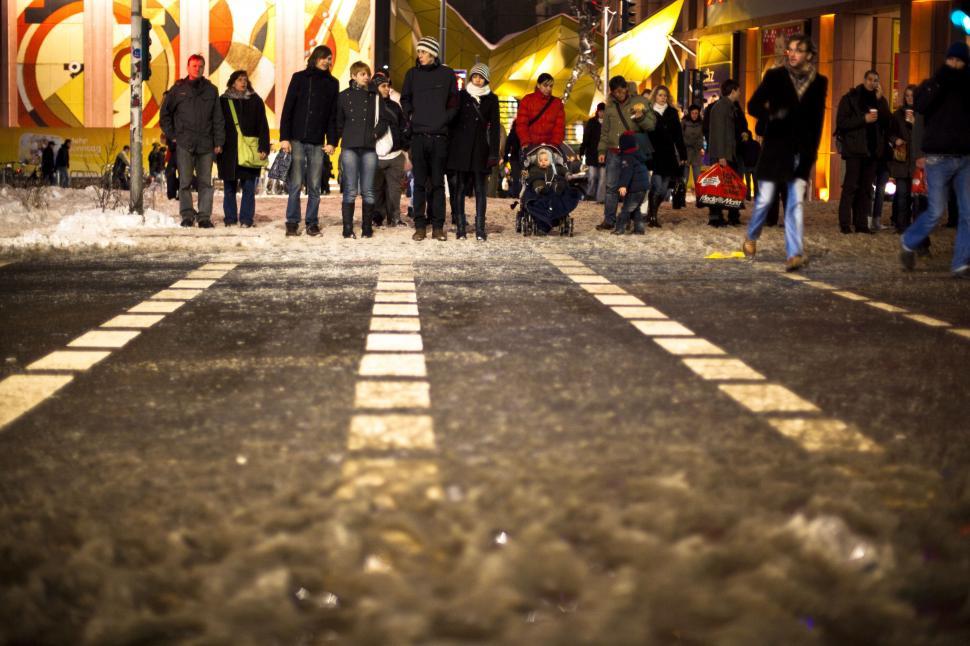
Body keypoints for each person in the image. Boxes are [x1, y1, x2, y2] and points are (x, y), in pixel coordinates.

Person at [742, 34, 828, 272]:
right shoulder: (775, 76)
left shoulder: (819, 82)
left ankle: (794, 254)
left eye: (798, 50)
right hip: (774, 149)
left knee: (795, 203)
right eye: (790, 49)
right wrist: (772, 114)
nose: (792, 54)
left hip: (801, 151)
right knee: (765, 200)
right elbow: (753, 105)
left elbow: (817, 121)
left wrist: (811, 154)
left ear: (809, 55)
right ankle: (751, 236)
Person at [900, 41, 970, 277]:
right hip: (938, 158)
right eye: (952, 60)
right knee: (936, 211)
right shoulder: (934, 83)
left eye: (959, 61)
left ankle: (960, 262)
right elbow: (920, 106)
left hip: (964, 158)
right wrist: (940, 80)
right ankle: (909, 241)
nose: (955, 64)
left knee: (968, 213)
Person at [402, 37, 459, 241]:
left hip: (439, 137)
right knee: (418, 184)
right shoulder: (412, 74)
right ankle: (420, 226)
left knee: (437, 184)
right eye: (419, 52)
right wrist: (411, 116)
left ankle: (437, 227)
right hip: (418, 136)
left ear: (433, 54)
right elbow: (405, 99)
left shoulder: (447, 74)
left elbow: (454, 102)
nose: (420, 55)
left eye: (424, 52)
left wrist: (443, 119)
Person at [278, 45, 339, 236]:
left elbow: (333, 115)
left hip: (317, 141)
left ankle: (312, 222)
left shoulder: (332, 83)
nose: (327, 61)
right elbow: (288, 108)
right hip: (296, 138)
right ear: (315, 58)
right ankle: (292, 222)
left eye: (329, 59)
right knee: (295, 183)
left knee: (315, 185)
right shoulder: (299, 78)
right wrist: (284, 137)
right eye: (324, 57)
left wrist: (332, 141)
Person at [160, 54, 225, 228]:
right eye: (194, 66)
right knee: (185, 182)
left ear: (204, 68)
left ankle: (204, 217)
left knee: (205, 183)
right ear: (188, 68)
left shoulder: (211, 90)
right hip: (185, 143)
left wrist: (219, 141)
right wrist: (173, 135)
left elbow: (218, 118)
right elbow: (165, 114)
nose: (197, 69)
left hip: (206, 144)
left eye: (200, 66)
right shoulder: (177, 89)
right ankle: (187, 215)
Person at [446, 63, 500, 241]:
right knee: (460, 188)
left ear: (486, 79)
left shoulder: (492, 99)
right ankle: (461, 227)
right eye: (475, 76)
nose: (477, 80)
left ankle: (480, 229)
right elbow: (453, 123)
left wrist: (494, 153)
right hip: (461, 148)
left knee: (480, 189)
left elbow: (495, 128)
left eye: (481, 77)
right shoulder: (462, 95)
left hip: (480, 149)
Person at [835, 69, 891, 234]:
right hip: (854, 149)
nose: (873, 83)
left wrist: (880, 101)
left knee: (866, 189)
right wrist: (863, 119)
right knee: (850, 187)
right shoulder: (850, 98)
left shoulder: (880, 100)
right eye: (870, 79)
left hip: (872, 151)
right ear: (864, 80)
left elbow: (887, 122)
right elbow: (842, 123)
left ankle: (861, 224)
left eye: (876, 80)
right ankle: (845, 223)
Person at [595, 75, 654, 230]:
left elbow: (651, 125)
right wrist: (602, 150)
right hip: (613, 151)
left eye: (621, 91)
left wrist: (641, 118)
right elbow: (605, 132)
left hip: (632, 152)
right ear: (612, 92)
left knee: (632, 186)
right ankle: (609, 220)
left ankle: (628, 219)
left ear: (626, 88)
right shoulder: (609, 107)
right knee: (611, 187)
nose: (619, 94)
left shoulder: (638, 103)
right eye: (616, 92)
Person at [217, 70, 270, 228]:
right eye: (240, 79)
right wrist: (217, 143)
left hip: (249, 150)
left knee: (248, 187)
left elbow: (263, 125)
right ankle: (230, 218)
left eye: (245, 80)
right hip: (229, 151)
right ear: (233, 82)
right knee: (229, 187)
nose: (243, 82)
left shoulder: (255, 100)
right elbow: (217, 124)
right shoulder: (223, 101)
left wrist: (264, 146)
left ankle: (246, 219)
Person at [335, 61, 381, 239]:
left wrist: (375, 133)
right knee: (350, 190)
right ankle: (347, 228)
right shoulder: (343, 96)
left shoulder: (374, 95)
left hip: (369, 147)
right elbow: (338, 122)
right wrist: (333, 142)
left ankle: (367, 228)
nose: (366, 77)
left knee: (368, 190)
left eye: (367, 74)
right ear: (353, 76)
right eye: (362, 74)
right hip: (349, 146)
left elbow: (384, 118)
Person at [641, 85, 686, 228]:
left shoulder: (672, 112)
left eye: (665, 95)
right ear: (655, 96)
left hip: (668, 153)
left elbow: (678, 135)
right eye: (660, 95)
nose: (663, 98)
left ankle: (651, 211)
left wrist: (683, 154)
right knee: (657, 185)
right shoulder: (648, 112)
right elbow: (644, 133)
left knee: (664, 188)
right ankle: (653, 217)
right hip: (654, 153)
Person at [372, 72, 407, 228]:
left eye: (388, 85)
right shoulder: (369, 106)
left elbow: (403, 127)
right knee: (377, 190)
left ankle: (395, 217)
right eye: (383, 86)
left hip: (395, 154)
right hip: (375, 156)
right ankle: (377, 217)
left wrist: (404, 148)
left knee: (395, 190)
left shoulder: (394, 106)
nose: (387, 89)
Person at [707, 79, 743, 226]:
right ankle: (716, 217)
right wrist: (721, 155)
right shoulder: (720, 107)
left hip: (729, 152)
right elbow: (719, 133)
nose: (740, 93)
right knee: (718, 186)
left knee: (731, 185)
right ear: (733, 91)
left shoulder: (730, 106)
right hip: (722, 154)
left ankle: (733, 215)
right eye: (738, 90)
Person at [888, 84, 917, 233]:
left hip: (916, 162)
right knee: (901, 194)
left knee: (916, 197)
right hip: (901, 159)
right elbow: (889, 133)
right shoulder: (898, 114)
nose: (909, 98)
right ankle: (901, 225)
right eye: (907, 95)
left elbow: (926, 136)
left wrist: (915, 124)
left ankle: (916, 226)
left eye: (912, 96)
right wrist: (895, 140)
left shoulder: (922, 114)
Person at [514, 73, 565, 151]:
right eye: (545, 85)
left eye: (551, 86)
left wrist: (554, 144)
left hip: (550, 148)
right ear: (538, 85)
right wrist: (526, 142)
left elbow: (559, 127)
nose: (548, 88)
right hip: (530, 147)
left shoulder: (557, 103)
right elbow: (521, 124)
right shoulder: (527, 100)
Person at [612, 132, 650, 235]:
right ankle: (639, 229)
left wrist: (623, 185)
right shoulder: (637, 155)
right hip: (642, 188)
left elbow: (626, 172)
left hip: (635, 189)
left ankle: (620, 228)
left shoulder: (627, 157)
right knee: (636, 209)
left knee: (626, 209)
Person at [580, 103, 605, 202]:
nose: (602, 113)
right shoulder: (592, 122)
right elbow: (586, 137)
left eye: (603, 111)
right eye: (600, 111)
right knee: (593, 176)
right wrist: (582, 150)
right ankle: (590, 194)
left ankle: (600, 198)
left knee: (603, 178)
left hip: (605, 155)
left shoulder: (609, 122)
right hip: (592, 153)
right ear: (597, 111)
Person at [681, 104, 704, 191]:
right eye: (692, 113)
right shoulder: (684, 122)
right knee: (684, 178)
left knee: (697, 177)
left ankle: (699, 195)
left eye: (696, 113)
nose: (694, 115)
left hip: (696, 152)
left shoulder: (701, 123)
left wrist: (700, 145)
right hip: (685, 152)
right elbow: (680, 136)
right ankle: (681, 195)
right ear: (689, 113)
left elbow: (702, 136)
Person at [739, 130, 761, 200]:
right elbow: (759, 154)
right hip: (754, 166)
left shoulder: (743, 144)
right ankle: (756, 197)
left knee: (748, 183)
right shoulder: (756, 143)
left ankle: (748, 197)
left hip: (747, 165)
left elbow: (741, 154)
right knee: (755, 183)